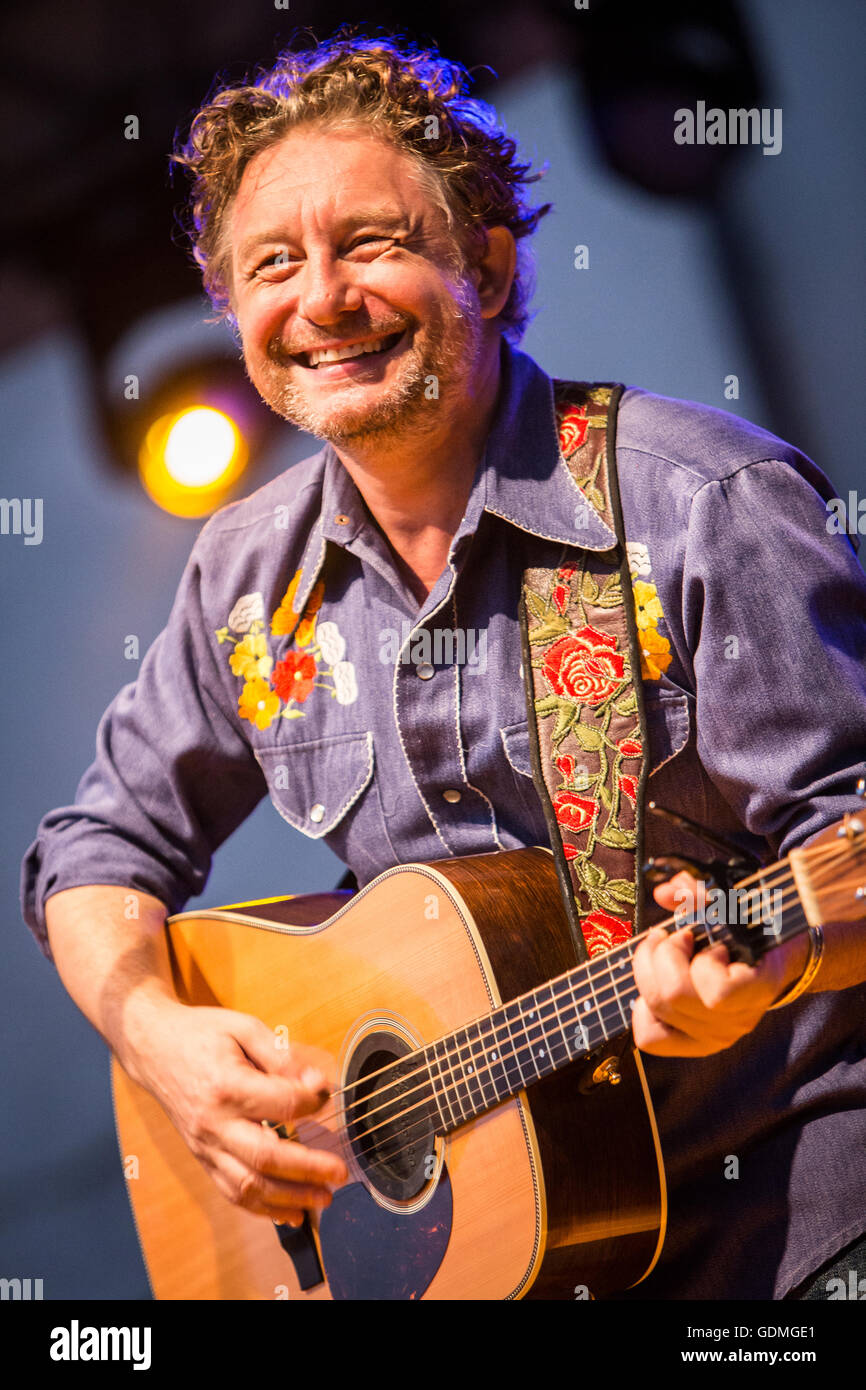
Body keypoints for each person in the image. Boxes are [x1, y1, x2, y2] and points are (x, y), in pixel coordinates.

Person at [21, 32, 866, 1301]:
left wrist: (773, 968)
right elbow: (91, 857)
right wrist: (164, 1042)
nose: (319, 298)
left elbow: (846, 848)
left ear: (485, 256)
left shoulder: (700, 503)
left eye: (368, 242)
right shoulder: (245, 576)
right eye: (270, 265)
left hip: (787, 1233)